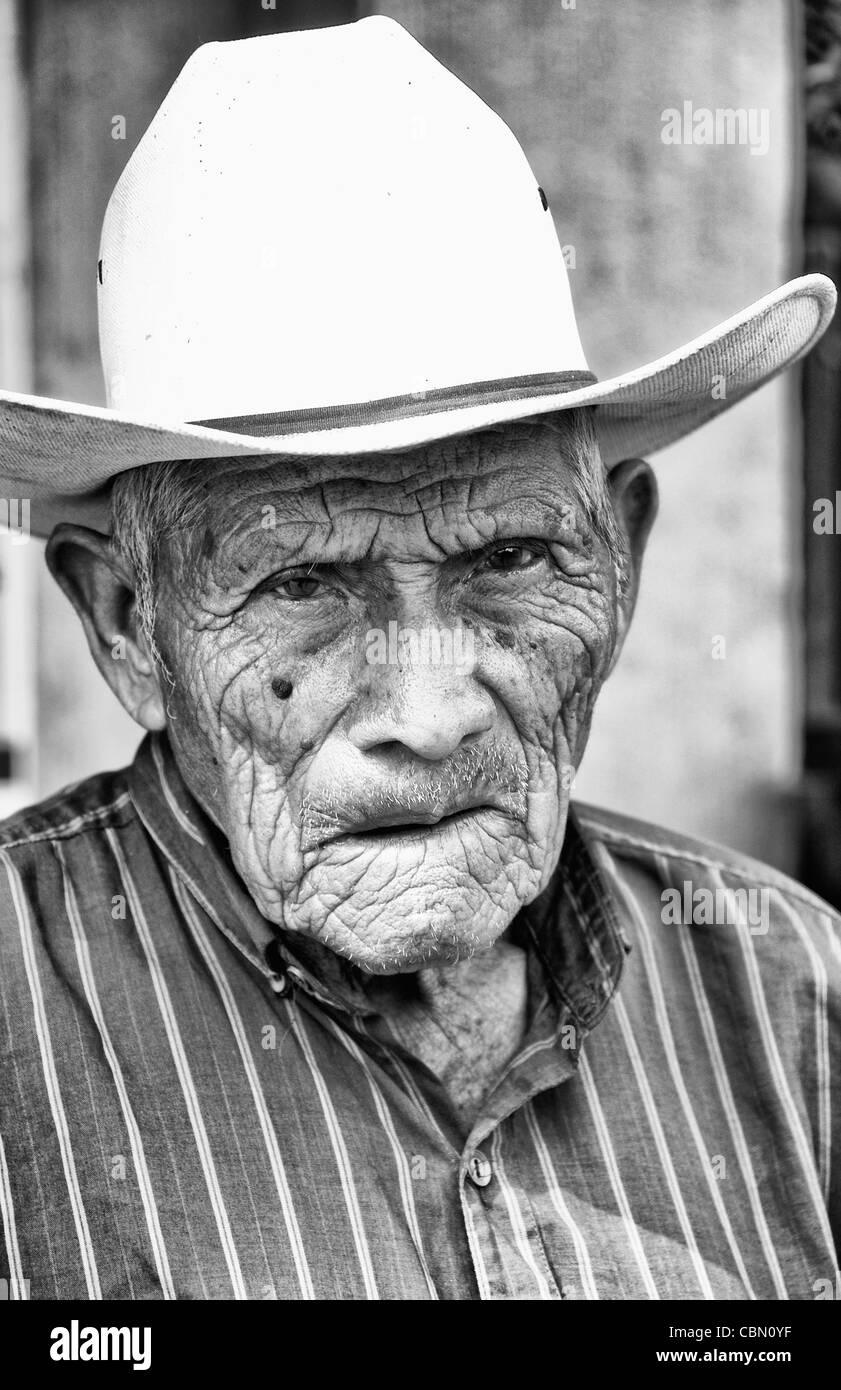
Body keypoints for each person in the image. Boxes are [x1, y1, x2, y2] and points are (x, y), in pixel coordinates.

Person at [0, 16, 837, 1301]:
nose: (430, 712)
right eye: (300, 586)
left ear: (620, 557)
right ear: (126, 626)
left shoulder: (797, 1000)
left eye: (506, 560)